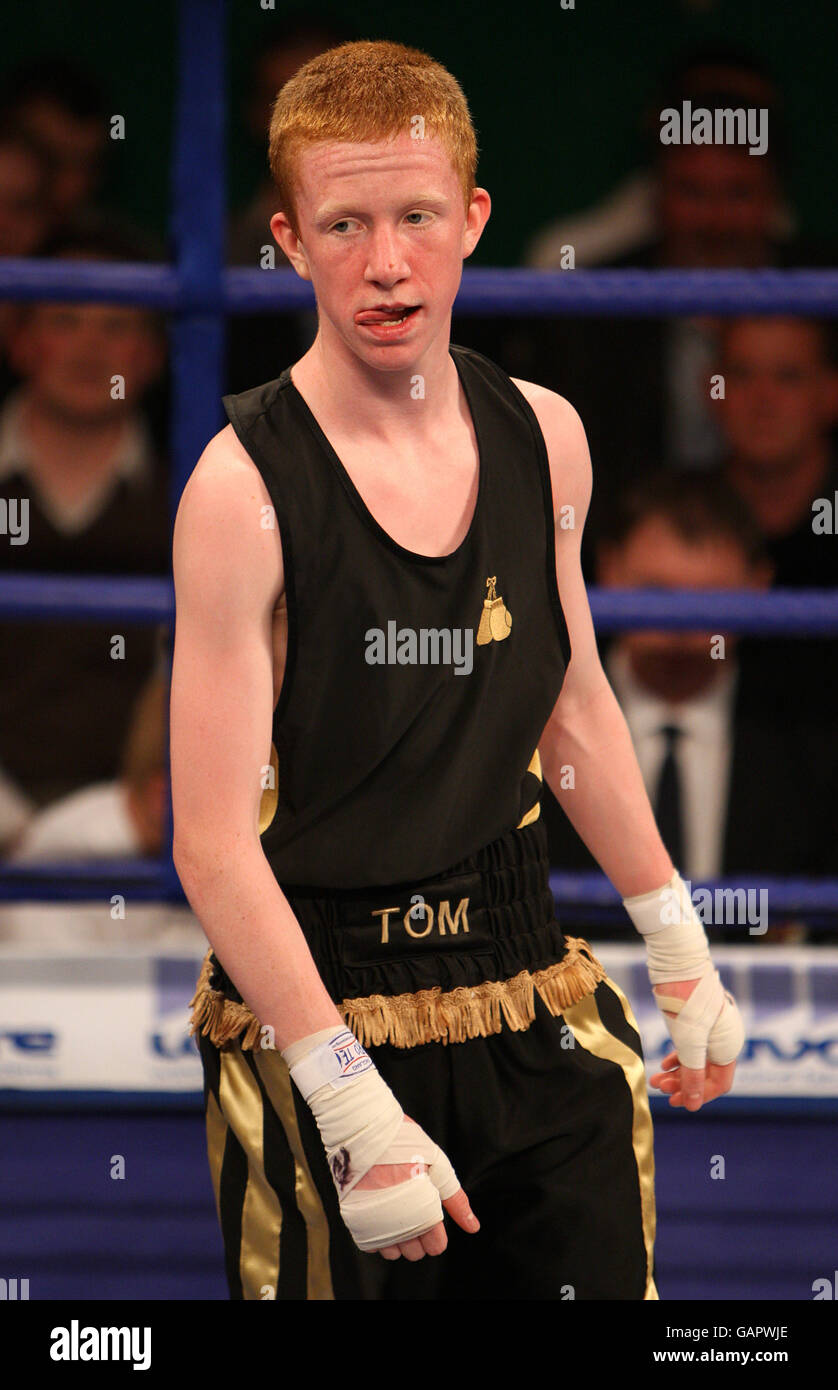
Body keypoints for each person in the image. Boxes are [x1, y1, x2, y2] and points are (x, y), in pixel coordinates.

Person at [170, 39, 744, 1302]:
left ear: (473, 218)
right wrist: (348, 1101)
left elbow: (571, 699)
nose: (385, 262)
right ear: (289, 238)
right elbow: (209, 842)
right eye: (345, 223)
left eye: (416, 216)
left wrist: (674, 934)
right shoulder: (240, 489)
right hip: (318, 1006)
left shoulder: (547, 434)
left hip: (528, 976)